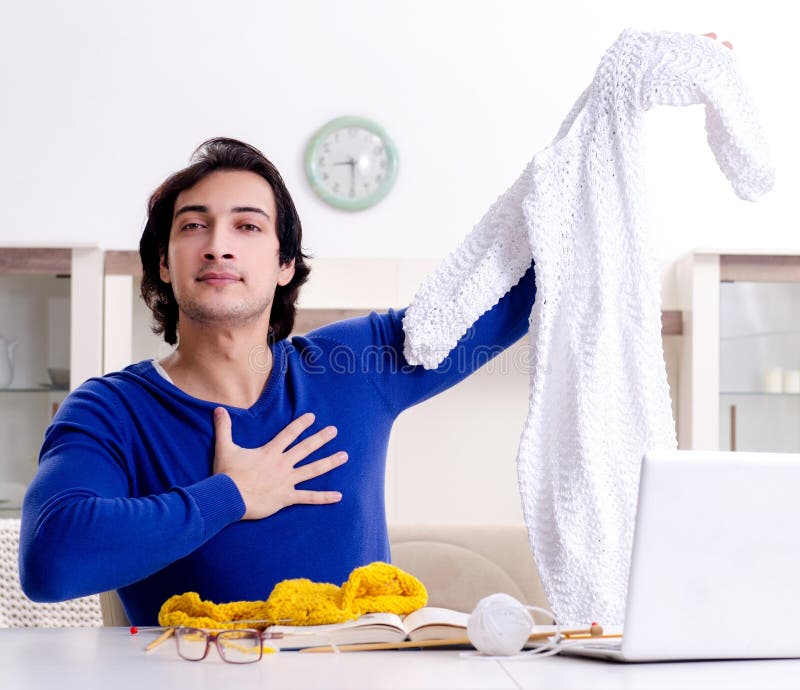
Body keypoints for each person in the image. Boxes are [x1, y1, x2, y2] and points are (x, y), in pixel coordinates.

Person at [19, 137, 536, 625]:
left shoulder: (353, 366)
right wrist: (231, 495)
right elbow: (50, 561)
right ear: (164, 263)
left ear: (285, 263)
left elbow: (509, 297)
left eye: (247, 227)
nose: (218, 246)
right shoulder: (111, 410)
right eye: (193, 226)